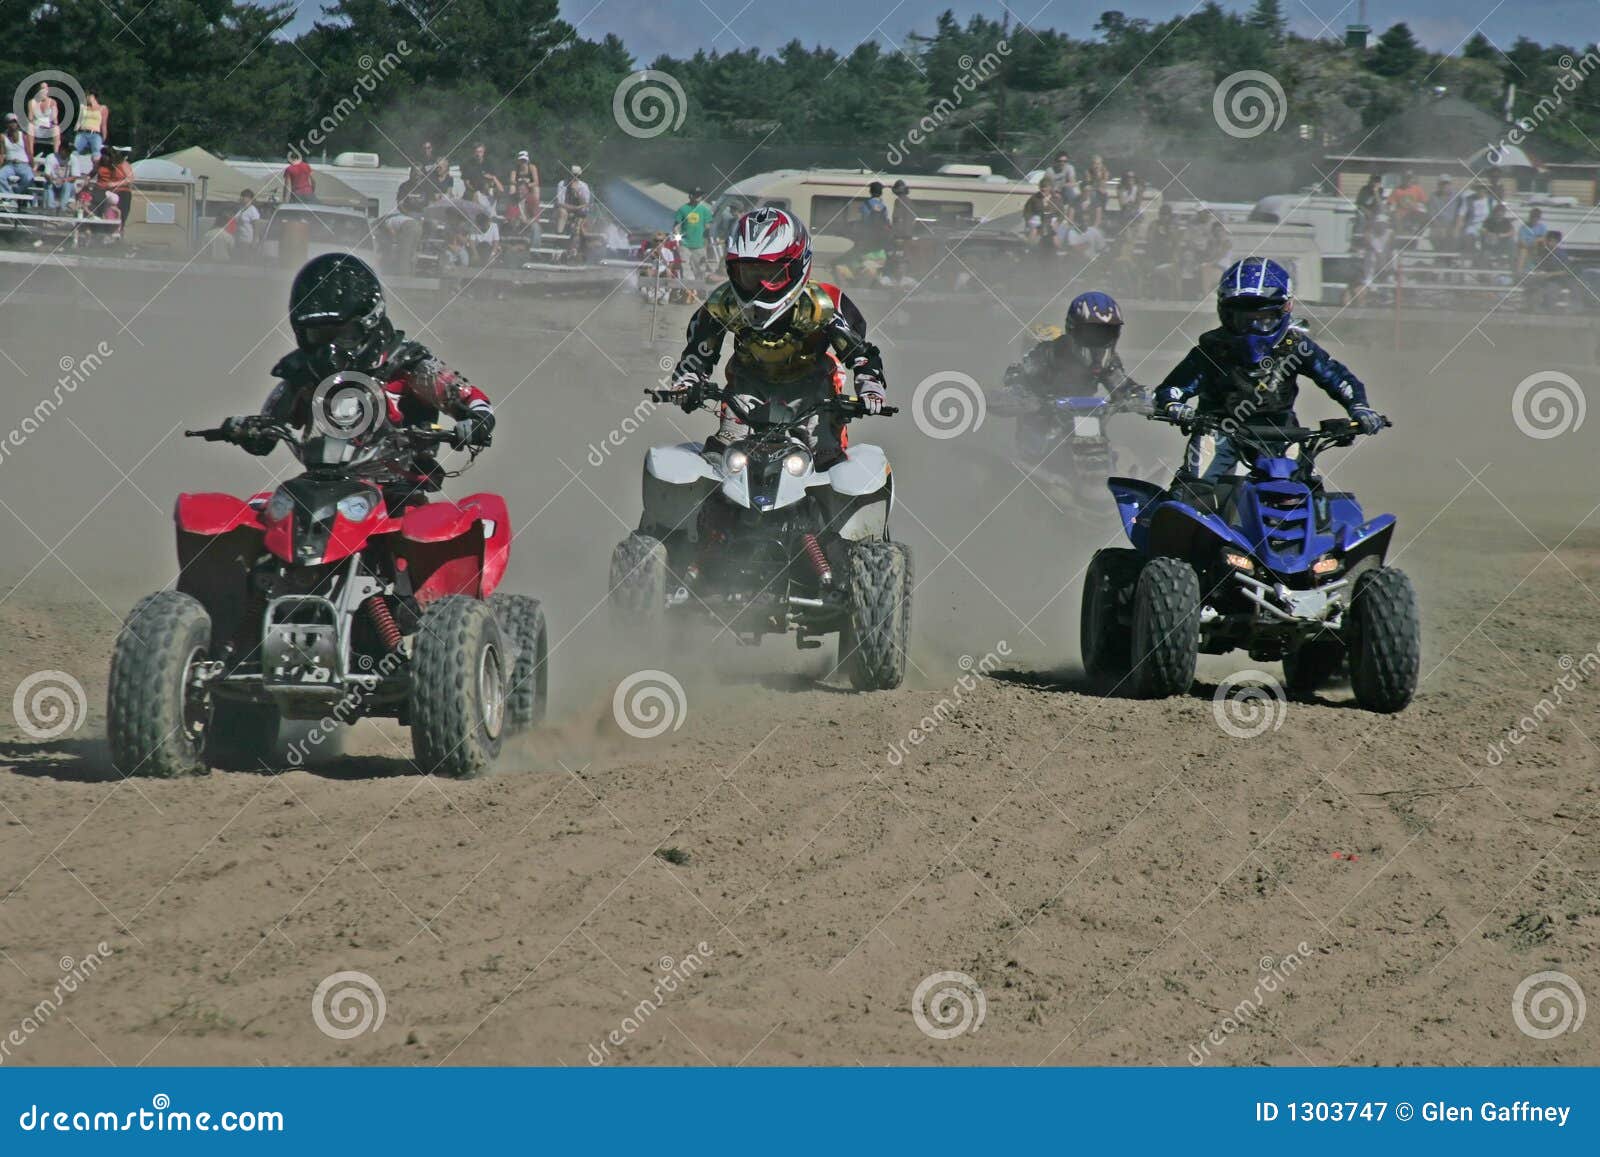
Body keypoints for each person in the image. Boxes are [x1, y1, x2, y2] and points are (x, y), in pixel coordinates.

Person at [217, 253, 495, 493]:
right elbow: (267, 427)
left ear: (369, 322)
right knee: (263, 519)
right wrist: (247, 429)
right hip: (320, 484)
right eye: (319, 335)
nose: (329, 348)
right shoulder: (301, 372)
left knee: (428, 534)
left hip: (398, 487)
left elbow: (468, 398)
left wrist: (477, 421)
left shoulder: (407, 362)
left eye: (341, 333)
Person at [665, 207, 885, 469]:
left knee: (828, 460)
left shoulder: (824, 301)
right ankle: (703, 507)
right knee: (720, 454)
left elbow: (860, 352)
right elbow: (697, 353)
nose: (760, 286)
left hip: (814, 394)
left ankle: (835, 507)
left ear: (798, 266)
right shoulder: (722, 302)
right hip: (747, 388)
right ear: (733, 271)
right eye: (749, 274)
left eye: (772, 276)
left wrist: (870, 388)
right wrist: (687, 383)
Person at [1154, 257, 1382, 484]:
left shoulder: (1296, 346)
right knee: (1193, 490)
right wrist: (1174, 406)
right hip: (1218, 430)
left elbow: (1338, 378)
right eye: (1242, 319)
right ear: (1225, 312)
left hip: (1281, 432)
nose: (1252, 328)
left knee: (1302, 492)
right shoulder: (1212, 348)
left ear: (1285, 309)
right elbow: (1173, 388)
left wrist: (1359, 407)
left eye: (1263, 319)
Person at [1003, 291, 1140, 407]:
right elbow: (1020, 374)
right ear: (1073, 330)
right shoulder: (1053, 350)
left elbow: (1122, 385)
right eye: (1092, 333)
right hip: (1044, 420)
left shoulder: (1109, 361)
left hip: (1085, 419)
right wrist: (1019, 390)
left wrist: (1140, 395)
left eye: (1107, 333)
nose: (1099, 341)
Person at [673, 186, 714, 280]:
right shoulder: (683, 209)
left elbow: (708, 228)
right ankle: (687, 293)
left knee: (701, 270)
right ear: (690, 196)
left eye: (700, 195)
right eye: (697, 195)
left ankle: (700, 292)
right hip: (684, 246)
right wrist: (678, 241)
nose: (699, 197)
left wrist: (706, 244)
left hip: (699, 246)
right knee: (685, 270)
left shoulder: (705, 210)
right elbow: (676, 227)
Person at [1, 115, 35, 199]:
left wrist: (33, 167)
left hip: (23, 164)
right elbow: (2, 154)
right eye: (10, 122)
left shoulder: (23, 136)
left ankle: (15, 193)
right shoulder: (2, 137)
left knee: (29, 178)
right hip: (9, 164)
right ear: (6, 124)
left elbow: (29, 152)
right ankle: (10, 196)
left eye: (14, 122)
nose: (13, 124)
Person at [27, 82, 61, 157]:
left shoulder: (52, 102)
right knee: (30, 126)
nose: (44, 90)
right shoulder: (32, 102)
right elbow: (30, 118)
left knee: (56, 128)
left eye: (46, 88)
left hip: (48, 127)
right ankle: (31, 153)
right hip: (36, 127)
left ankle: (56, 154)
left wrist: (52, 125)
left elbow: (55, 120)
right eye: (42, 88)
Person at [1515, 207, 1548, 276]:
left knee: (1536, 244)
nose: (1535, 219)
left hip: (1537, 247)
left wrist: (1535, 241)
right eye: (1533, 217)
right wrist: (1529, 244)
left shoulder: (1542, 227)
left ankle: (1534, 267)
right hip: (1526, 247)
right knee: (1523, 251)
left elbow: (1544, 238)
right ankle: (1519, 272)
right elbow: (1521, 240)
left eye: (1537, 217)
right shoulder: (1524, 227)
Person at [75, 93, 107, 159]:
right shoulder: (83, 107)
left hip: (95, 133)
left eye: (88, 96)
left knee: (96, 153)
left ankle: (96, 167)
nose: (86, 98)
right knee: (76, 151)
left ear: (93, 96)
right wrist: (76, 131)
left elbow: (104, 124)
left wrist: (104, 137)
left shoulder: (103, 108)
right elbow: (79, 122)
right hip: (83, 133)